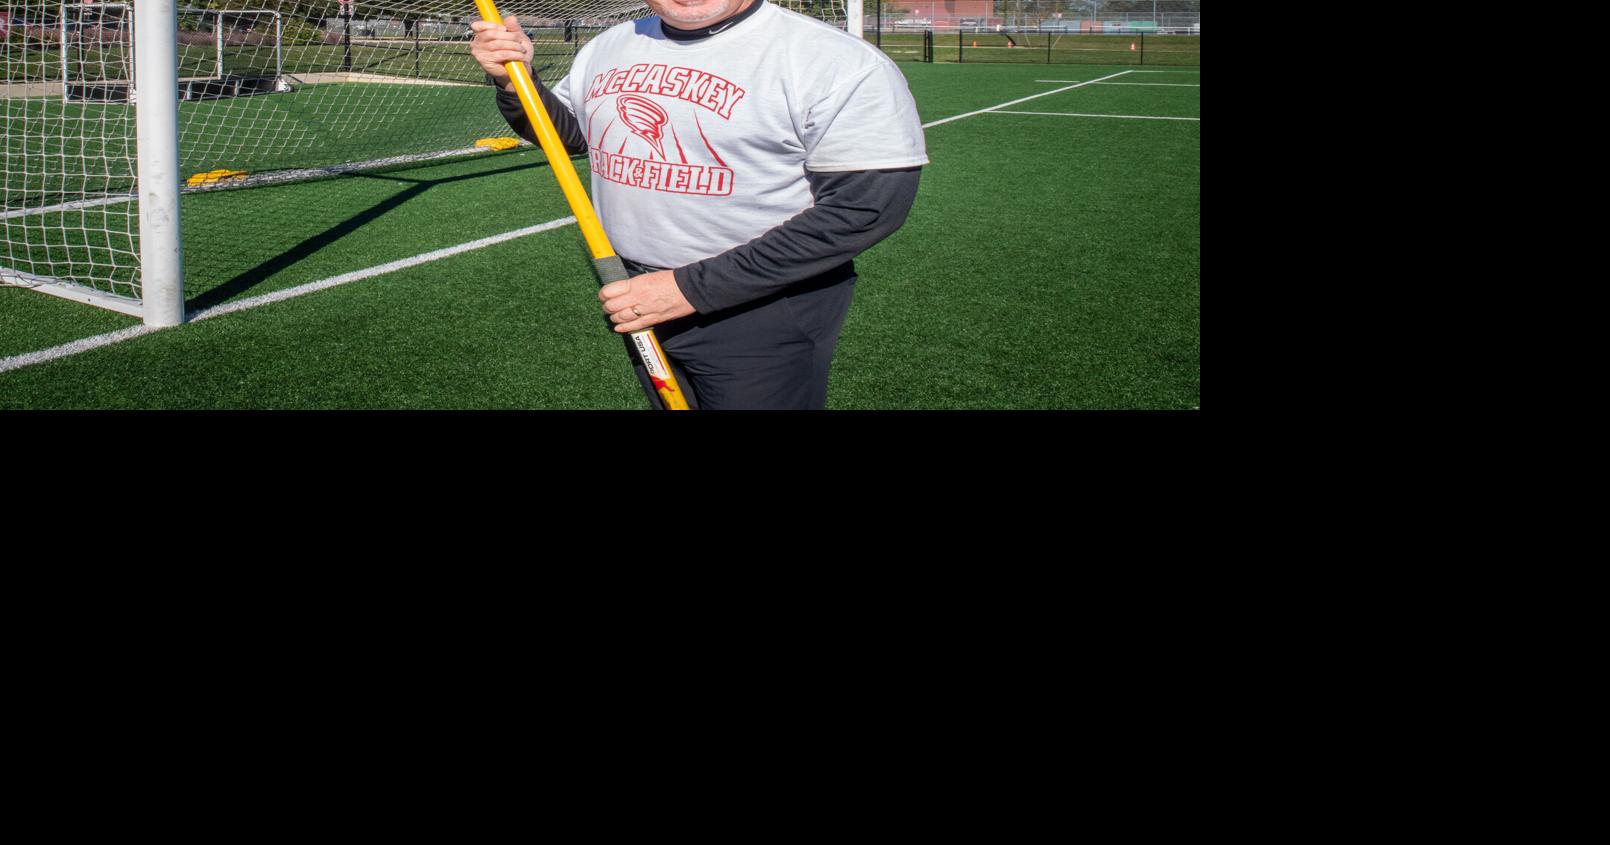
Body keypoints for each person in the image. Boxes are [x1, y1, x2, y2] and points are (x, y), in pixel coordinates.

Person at [470, 0, 927, 409]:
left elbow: (864, 210)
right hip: (636, 292)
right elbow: (568, 136)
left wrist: (688, 288)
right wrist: (517, 82)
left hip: (763, 306)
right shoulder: (612, 43)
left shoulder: (835, 60)